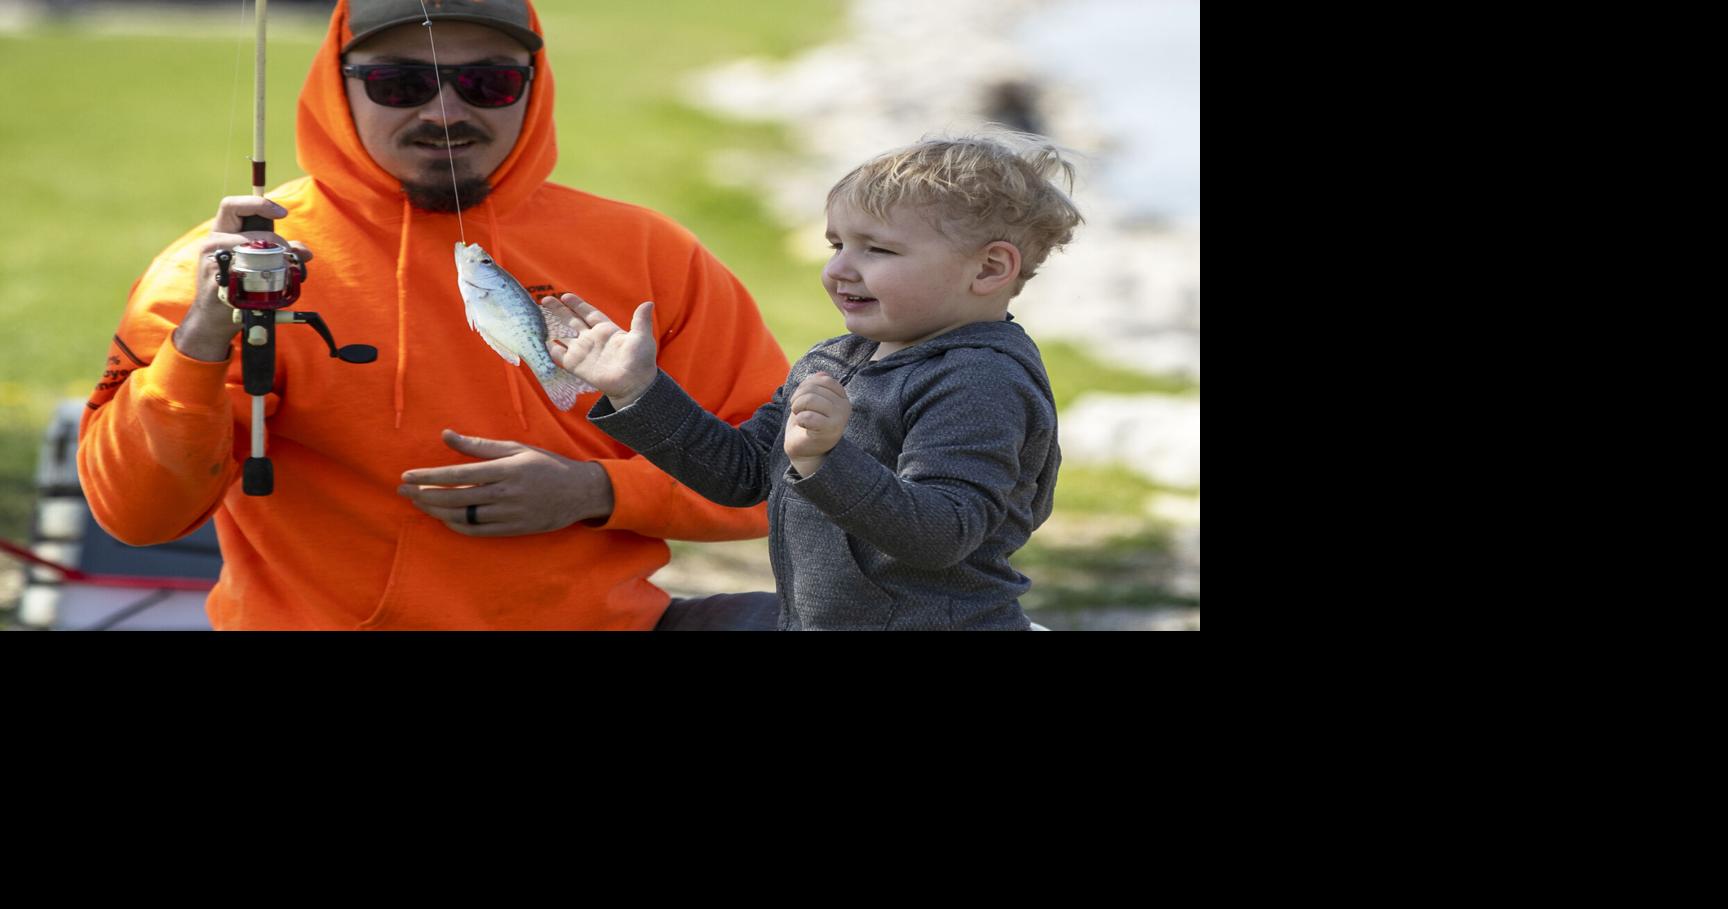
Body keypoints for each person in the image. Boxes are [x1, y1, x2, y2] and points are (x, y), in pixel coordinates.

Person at [77, 0, 790, 630]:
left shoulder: (651, 255)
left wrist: (597, 490)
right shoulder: (231, 274)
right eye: (400, 84)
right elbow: (136, 514)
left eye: (489, 81)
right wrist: (201, 339)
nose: (446, 111)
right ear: (338, 85)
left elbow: (787, 475)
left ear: (532, 89)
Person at [550, 135, 1082, 630]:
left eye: (878, 250)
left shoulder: (980, 382)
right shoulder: (836, 359)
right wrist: (638, 390)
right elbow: (743, 474)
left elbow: (941, 533)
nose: (840, 270)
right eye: (837, 246)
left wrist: (825, 460)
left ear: (989, 269)